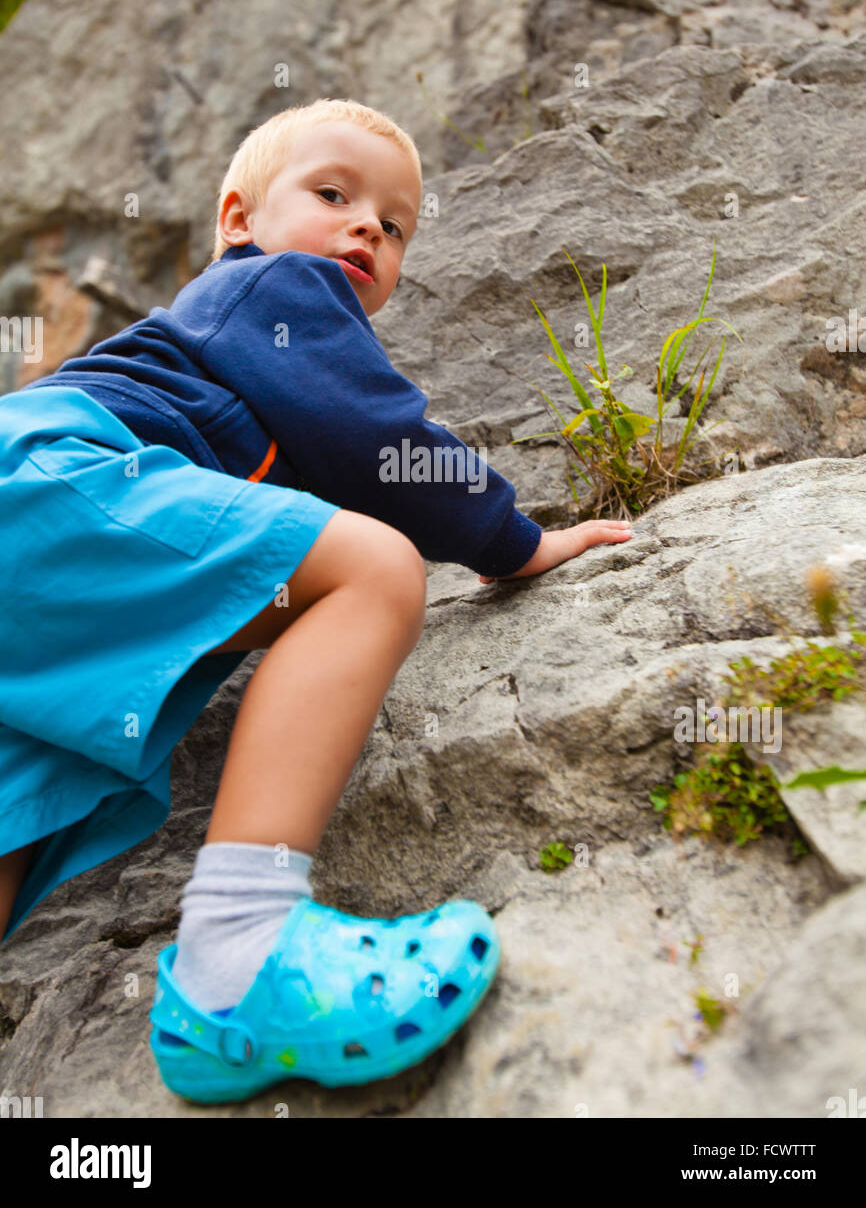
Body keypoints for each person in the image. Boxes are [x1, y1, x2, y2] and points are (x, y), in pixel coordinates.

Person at [0, 98, 632, 1102]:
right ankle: (238, 953)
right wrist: (514, 543)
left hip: (42, 567)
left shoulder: (245, 325)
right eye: (333, 195)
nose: (365, 229)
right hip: (53, 472)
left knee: (23, 814)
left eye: (393, 226)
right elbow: (376, 436)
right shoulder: (271, 290)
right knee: (373, 571)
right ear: (237, 218)